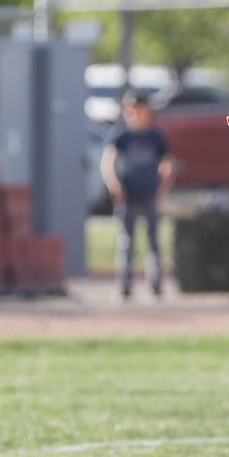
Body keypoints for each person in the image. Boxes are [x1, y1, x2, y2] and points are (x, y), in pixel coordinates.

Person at [100, 89, 176, 300]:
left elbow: (167, 161)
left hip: (149, 193)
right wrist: (115, 185)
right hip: (128, 194)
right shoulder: (121, 134)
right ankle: (125, 284)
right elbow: (109, 161)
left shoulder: (155, 135)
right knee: (127, 241)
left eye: (139, 108)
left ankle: (156, 284)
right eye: (131, 109)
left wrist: (163, 184)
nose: (135, 113)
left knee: (153, 240)